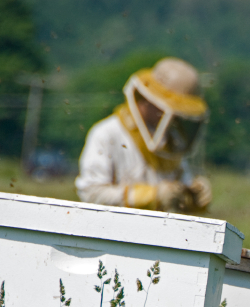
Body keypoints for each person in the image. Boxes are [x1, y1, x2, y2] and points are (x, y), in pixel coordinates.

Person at [75, 57, 212, 213]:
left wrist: (192, 197)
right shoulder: (107, 133)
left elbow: (178, 188)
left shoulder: (171, 140)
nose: (176, 119)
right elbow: (91, 193)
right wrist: (149, 196)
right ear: (150, 99)